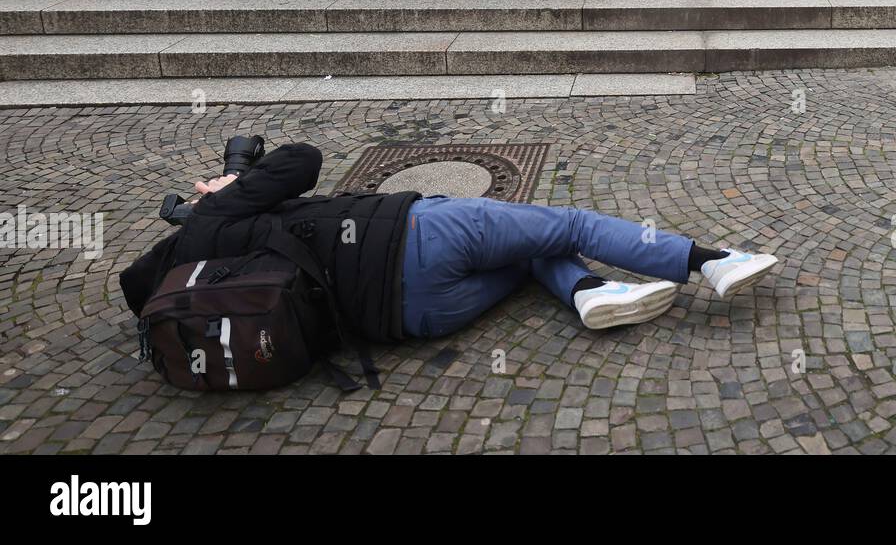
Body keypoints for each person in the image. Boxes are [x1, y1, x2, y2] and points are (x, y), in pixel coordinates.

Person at [119, 140, 781, 345]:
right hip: (418, 233)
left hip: (413, 318)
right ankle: (713, 262)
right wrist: (232, 184)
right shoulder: (208, 220)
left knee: (525, 256)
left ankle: (586, 290)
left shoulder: (208, 289)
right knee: (570, 223)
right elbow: (303, 158)